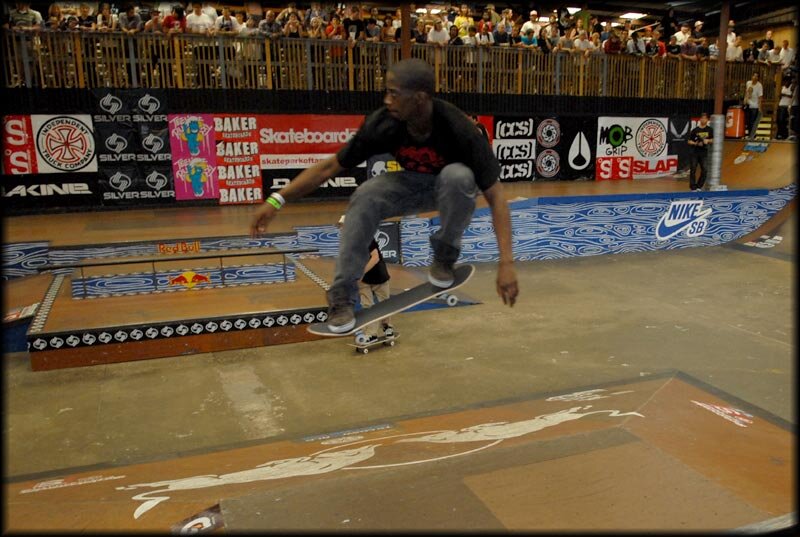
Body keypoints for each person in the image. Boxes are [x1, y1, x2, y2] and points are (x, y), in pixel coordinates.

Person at [250, 59, 519, 332]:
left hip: (451, 189)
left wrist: (506, 263)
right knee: (366, 194)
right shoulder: (383, 123)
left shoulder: (460, 130)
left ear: (419, 98)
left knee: (458, 177)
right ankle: (342, 297)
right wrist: (276, 200)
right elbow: (331, 166)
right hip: (410, 186)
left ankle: (444, 256)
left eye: (394, 93)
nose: (387, 100)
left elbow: (497, 197)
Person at [336, 215, 395, 343]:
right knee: (367, 306)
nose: (341, 229)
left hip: (379, 276)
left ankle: (387, 327)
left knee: (385, 304)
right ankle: (371, 333)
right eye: (340, 227)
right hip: (362, 280)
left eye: (343, 226)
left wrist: (361, 273)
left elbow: (375, 258)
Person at [687, 112, 713, 191]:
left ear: (707, 120)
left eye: (705, 118)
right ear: (700, 119)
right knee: (693, 169)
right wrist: (695, 143)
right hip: (694, 152)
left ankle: (699, 186)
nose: (703, 120)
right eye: (702, 118)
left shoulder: (709, 130)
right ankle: (693, 187)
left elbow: (713, 140)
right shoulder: (695, 130)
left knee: (705, 170)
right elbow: (688, 141)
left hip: (703, 152)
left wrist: (707, 140)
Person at [744, 72, 763, 139]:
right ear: (752, 76)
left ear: (758, 78)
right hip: (748, 103)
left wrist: (760, 107)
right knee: (747, 120)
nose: (755, 77)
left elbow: (760, 97)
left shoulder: (759, 85)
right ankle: (750, 134)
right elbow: (746, 93)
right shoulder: (748, 83)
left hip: (755, 105)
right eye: (754, 76)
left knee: (753, 121)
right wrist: (745, 100)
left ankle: (752, 135)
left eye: (756, 76)